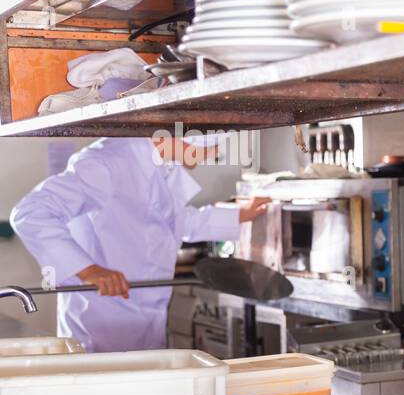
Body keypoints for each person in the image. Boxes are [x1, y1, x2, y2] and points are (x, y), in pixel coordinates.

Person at [10, 134, 269, 353]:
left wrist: (239, 214)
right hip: (99, 324)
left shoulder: (161, 166)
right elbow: (30, 214)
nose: (213, 155)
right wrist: (89, 270)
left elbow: (175, 222)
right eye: (214, 147)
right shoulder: (106, 162)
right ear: (185, 135)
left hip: (147, 322)